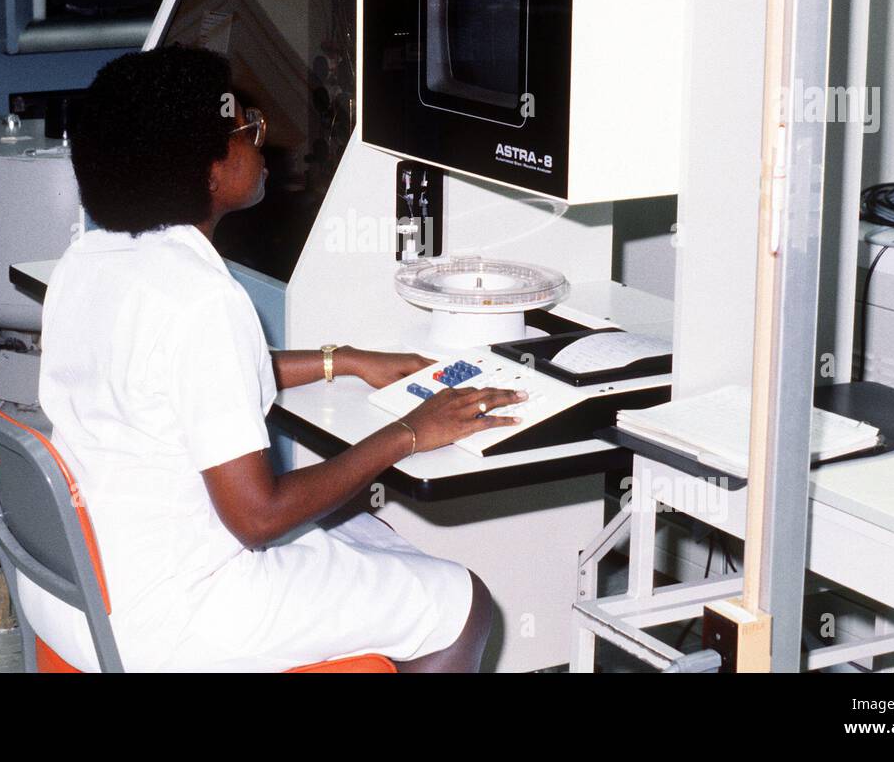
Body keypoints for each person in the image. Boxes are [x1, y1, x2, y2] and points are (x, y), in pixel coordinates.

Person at [26, 45, 526, 672]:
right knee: (463, 602)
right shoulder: (203, 299)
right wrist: (409, 433)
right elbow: (257, 519)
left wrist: (340, 359)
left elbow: (175, 380)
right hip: (176, 622)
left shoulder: (86, 264)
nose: (262, 144)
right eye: (246, 131)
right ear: (205, 171)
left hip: (74, 594)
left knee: (369, 533)